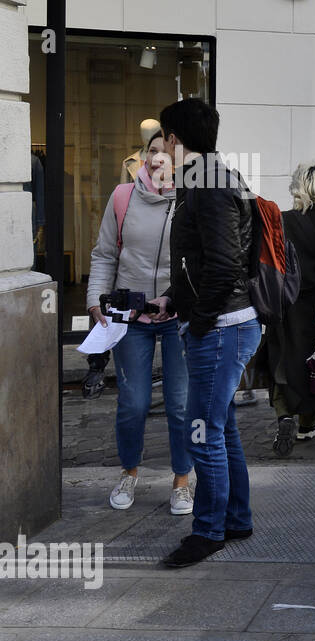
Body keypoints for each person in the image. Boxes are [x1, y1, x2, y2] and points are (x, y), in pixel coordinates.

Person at [152, 98, 261, 568]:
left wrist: (197, 323)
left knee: (202, 433)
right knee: (222, 430)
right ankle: (235, 518)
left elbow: (222, 264)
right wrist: (174, 301)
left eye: (165, 141)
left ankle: (208, 531)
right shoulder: (210, 177)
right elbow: (201, 263)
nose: (162, 151)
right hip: (223, 323)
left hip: (221, 328)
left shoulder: (209, 183)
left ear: (176, 140)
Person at [86, 127, 193, 515]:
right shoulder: (122, 197)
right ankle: (129, 471)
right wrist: (95, 301)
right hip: (130, 317)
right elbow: (104, 255)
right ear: (144, 155)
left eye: (167, 152)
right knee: (133, 402)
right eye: (153, 150)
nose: (158, 157)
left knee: (181, 404)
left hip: (177, 316)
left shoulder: (190, 202)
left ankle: (182, 480)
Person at [267, 163, 315, 457]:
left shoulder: (282, 221)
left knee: (281, 363)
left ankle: (284, 416)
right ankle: (307, 424)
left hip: (287, 306)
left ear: (296, 187)